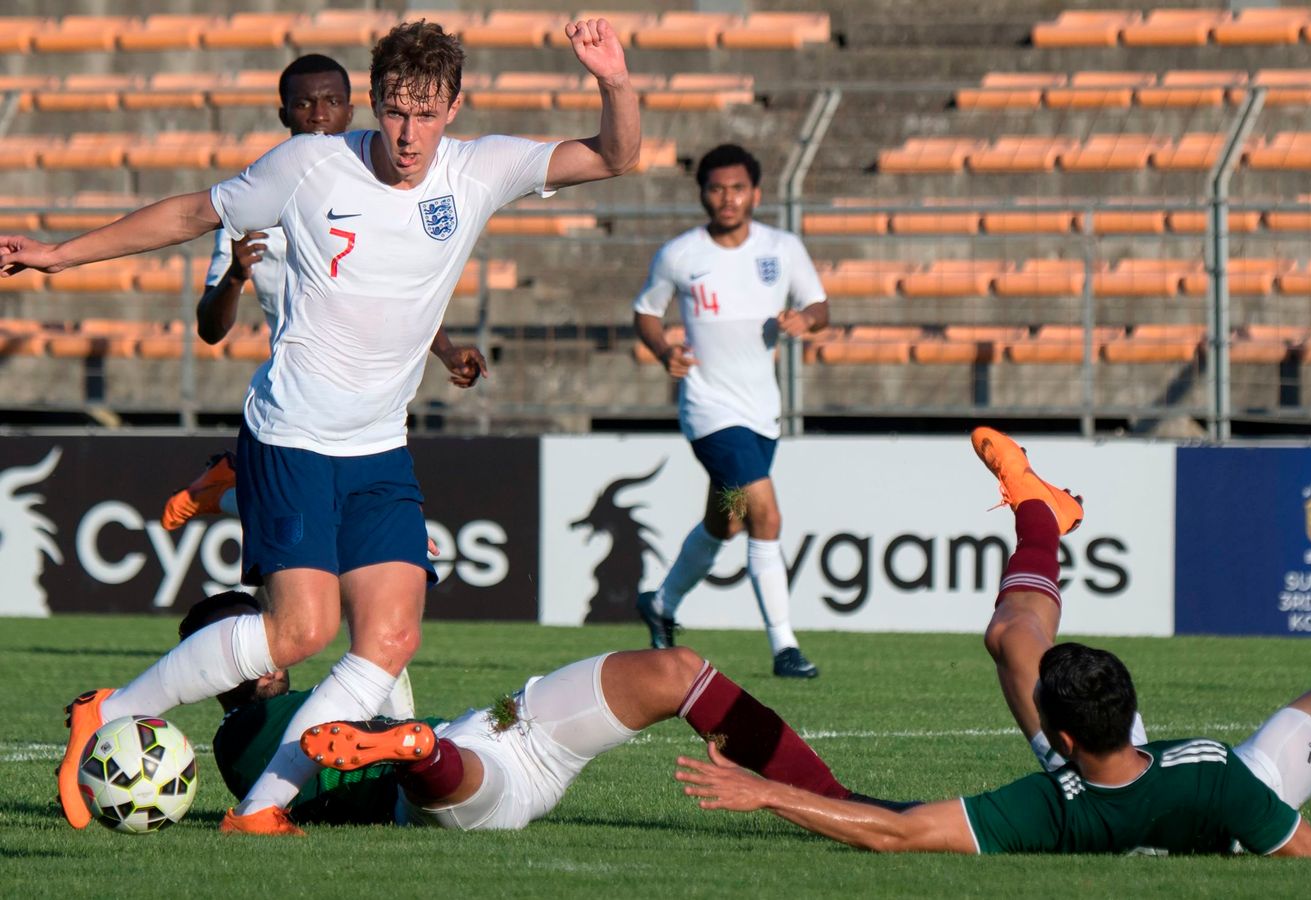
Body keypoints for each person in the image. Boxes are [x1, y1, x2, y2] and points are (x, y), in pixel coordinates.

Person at [13, 18, 641, 835]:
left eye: (426, 111)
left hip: (380, 447)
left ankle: (262, 809)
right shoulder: (311, 165)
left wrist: (615, 82)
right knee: (299, 632)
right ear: (374, 102)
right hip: (293, 436)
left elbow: (616, 155)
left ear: (454, 106)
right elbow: (186, 215)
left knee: (392, 636)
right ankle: (108, 711)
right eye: (395, 110)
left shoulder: (481, 167)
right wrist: (61, 255)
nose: (409, 133)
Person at [673, 428, 1311, 856]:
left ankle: (1039, 507)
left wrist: (762, 794)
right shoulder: (1216, 777)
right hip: (1234, 806)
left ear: (1060, 740)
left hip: (1123, 794)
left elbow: (897, 833)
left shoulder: (1056, 806)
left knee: (1007, 638)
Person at [177, 592, 895, 830]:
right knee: (437, 762)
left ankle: (833, 800)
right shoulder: (243, 738)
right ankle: (414, 750)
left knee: (676, 672)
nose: (279, 648)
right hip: (425, 799)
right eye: (259, 639)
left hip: (497, 726)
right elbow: (378, 682)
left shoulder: (262, 731)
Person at [163, 53, 487, 532]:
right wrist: (234, 277)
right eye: (305, 104)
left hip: (369, 399)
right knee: (325, 555)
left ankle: (233, 488)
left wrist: (444, 351)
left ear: (353, 111)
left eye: (332, 101)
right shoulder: (260, 199)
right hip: (300, 403)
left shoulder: (376, 187)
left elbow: (391, 297)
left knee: (337, 542)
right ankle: (236, 489)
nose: (319, 114)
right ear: (284, 114)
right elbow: (210, 330)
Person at [632, 144, 829, 679]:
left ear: (756, 194)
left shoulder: (782, 248)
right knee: (766, 513)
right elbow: (647, 312)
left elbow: (820, 305)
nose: (727, 198)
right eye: (717, 188)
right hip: (709, 409)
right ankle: (785, 647)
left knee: (727, 518)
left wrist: (806, 322)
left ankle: (662, 603)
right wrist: (665, 351)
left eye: (737, 188)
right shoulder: (680, 254)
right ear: (703, 194)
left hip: (763, 410)